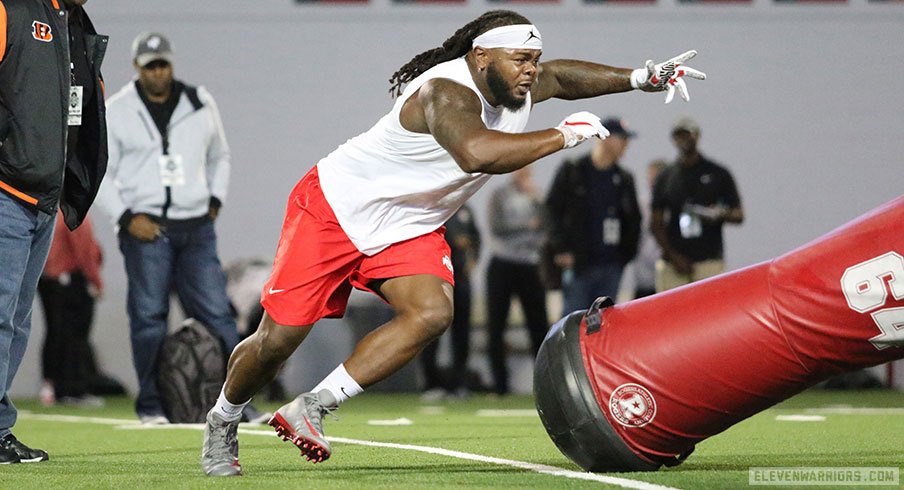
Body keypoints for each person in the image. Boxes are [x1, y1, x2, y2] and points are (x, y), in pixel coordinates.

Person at [201, 9, 705, 477]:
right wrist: (562, 137)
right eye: (520, 60)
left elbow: (564, 77)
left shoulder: (519, 82)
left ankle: (313, 405)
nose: (531, 71)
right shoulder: (445, 91)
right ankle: (223, 418)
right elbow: (475, 152)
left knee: (432, 313)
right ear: (481, 56)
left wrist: (640, 78)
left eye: (533, 59)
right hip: (334, 209)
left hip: (410, 224)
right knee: (279, 341)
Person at [95, 32, 264, 425]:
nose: (158, 72)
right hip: (146, 229)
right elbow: (99, 171)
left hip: (195, 229)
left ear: (172, 64)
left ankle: (237, 403)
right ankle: (151, 405)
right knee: (149, 316)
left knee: (219, 316)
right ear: (136, 67)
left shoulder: (198, 102)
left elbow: (220, 155)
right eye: (150, 65)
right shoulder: (118, 109)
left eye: (163, 64)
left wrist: (215, 200)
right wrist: (124, 217)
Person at [0, 0, 107, 464]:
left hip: (43, 197)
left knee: (16, 322)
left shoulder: (74, 22)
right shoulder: (13, 9)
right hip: (6, 187)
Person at [546, 117, 642, 316]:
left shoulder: (623, 178)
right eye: (621, 138)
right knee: (574, 321)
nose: (626, 145)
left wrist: (625, 255)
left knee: (605, 325)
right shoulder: (573, 170)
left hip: (611, 264)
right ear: (604, 138)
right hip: (579, 264)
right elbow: (551, 210)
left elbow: (634, 220)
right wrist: (561, 247)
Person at [651, 116, 743, 292]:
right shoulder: (666, 177)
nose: (683, 140)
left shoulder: (718, 173)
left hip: (708, 260)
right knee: (672, 316)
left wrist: (718, 214)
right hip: (674, 264)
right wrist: (672, 255)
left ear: (697, 136)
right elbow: (656, 223)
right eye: (678, 136)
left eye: (687, 135)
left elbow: (738, 214)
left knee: (710, 315)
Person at [485, 167, 548, 395]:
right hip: (503, 263)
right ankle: (500, 386)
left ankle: (544, 385)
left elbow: (548, 223)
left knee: (538, 326)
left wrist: (539, 200)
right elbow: (496, 227)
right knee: (497, 326)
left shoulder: (536, 195)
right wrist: (526, 226)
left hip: (530, 265)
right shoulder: (499, 195)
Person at [37, 212, 104, 407]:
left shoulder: (49, 215)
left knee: (55, 334)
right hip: (70, 280)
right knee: (75, 336)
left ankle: (52, 387)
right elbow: (84, 251)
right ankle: (73, 389)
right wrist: (96, 281)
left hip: (48, 280)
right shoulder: (73, 214)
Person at [419, 205, 481, 401]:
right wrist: (455, 241)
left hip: (461, 278)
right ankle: (432, 384)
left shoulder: (465, 209)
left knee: (461, 333)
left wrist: (474, 258)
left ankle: (459, 384)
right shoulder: (433, 206)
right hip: (436, 277)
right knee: (431, 329)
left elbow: (476, 238)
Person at [633, 159, 668, 299]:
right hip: (643, 276)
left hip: (668, 273)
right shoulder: (641, 205)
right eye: (651, 178)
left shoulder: (674, 205)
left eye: (657, 179)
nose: (653, 183)